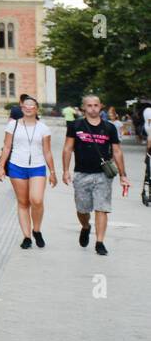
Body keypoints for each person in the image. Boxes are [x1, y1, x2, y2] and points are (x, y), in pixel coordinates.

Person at [62, 94, 128, 257]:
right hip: (81, 173)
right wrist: (65, 170)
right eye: (89, 105)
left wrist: (123, 175)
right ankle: (85, 227)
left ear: (101, 106)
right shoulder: (75, 125)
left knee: (102, 208)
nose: (93, 108)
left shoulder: (109, 127)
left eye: (96, 105)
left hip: (103, 175)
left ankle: (100, 242)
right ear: (84, 107)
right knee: (82, 209)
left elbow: (117, 151)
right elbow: (68, 148)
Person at [0, 95, 56, 249]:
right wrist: (1, 167)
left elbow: (47, 151)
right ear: (22, 108)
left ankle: (37, 230)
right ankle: (27, 237)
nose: (29, 108)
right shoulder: (13, 126)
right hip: (17, 166)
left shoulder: (43, 128)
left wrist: (53, 172)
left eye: (32, 105)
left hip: (37, 166)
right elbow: (7, 147)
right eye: (26, 105)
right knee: (23, 203)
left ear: (36, 109)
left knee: (36, 200)